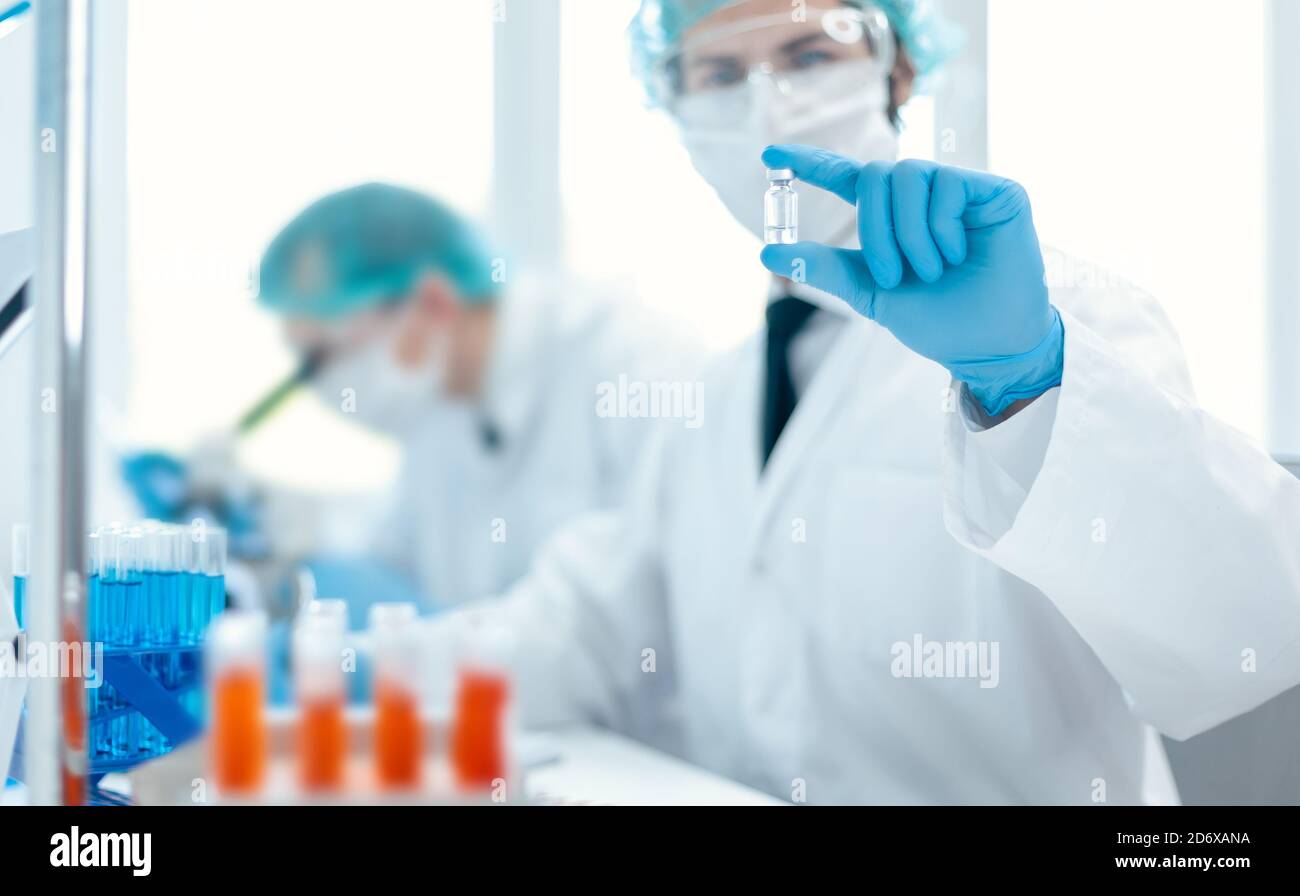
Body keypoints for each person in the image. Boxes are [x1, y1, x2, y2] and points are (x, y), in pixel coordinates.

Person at [420, 0, 1300, 804]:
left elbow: (1245, 630)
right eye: (720, 74)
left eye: (808, 51)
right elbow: (580, 632)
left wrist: (1027, 379)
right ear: (676, 115)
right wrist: (358, 666)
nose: (768, 102)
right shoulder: (714, 402)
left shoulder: (1063, 320)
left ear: (900, 69)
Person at [131, 183, 702, 617]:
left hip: (665, 762)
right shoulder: (445, 412)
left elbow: (625, 613)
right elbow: (391, 555)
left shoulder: (629, 367)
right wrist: (278, 520)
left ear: (431, 303)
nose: (318, 389)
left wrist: (427, 663)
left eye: (321, 357)